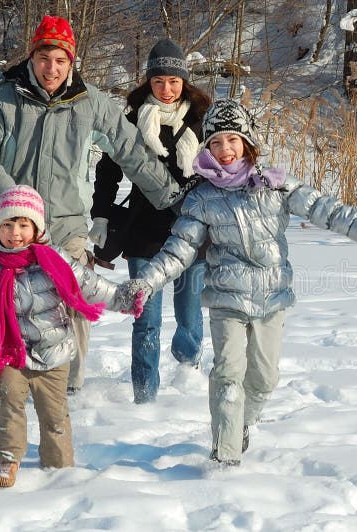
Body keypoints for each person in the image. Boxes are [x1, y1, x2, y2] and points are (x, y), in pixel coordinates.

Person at [128, 99, 357, 466]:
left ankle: (240, 426)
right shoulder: (201, 198)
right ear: (206, 148)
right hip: (228, 299)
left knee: (264, 379)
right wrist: (146, 281)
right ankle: (224, 457)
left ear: (247, 142)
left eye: (232, 140)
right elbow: (178, 250)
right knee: (229, 376)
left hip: (271, 298)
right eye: (215, 142)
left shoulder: (276, 185)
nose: (225, 149)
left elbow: (327, 210)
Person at [0, 15, 191, 395]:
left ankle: (70, 391)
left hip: (66, 227)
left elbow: (132, 152)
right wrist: (15, 204)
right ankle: (14, 382)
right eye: (44, 58)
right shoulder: (2, 99)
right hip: (12, 230)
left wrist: (172, 198)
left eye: (60, 60)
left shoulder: (91, 103)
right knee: (13, 307)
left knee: (71, 304)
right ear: (32, 57)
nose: (52, 68)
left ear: (72, 62)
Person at [0, 185, 146, 488]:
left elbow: (89, 285)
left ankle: (59, 466)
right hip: (10, 354)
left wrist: (122, 297)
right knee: (6, 400)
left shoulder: (53, 260)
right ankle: (8, 458)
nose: (15, 232)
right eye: (7, 225)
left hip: (54, 353)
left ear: (37, 228)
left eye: (23, 224)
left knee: (54, 416)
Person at [90, 38, 211, 404]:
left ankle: (188, 379)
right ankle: (145, 395)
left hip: (192, 231)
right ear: (148, 82)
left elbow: (222, 171)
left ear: (185, 83)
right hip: (144, 232)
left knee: (190, 316)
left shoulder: (200, 123)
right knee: (146, 317)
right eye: (159, 81)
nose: (167, 89)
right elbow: (108, 172)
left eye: (174, 82)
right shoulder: (131, 122)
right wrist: (100, 214)